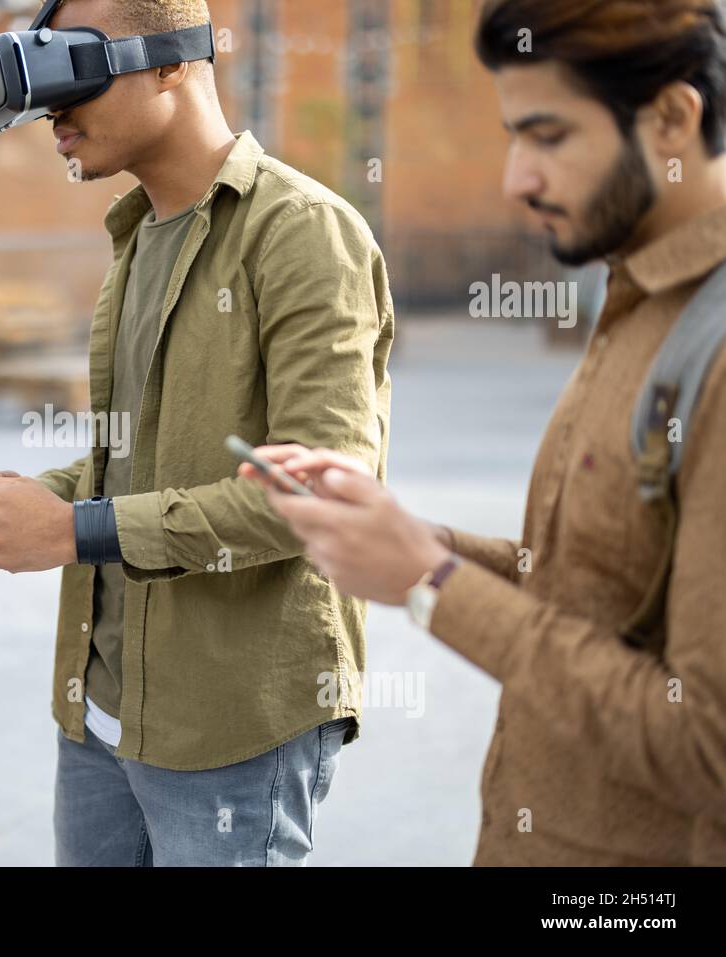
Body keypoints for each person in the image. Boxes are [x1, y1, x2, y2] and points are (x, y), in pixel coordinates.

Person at [246, 0, 726, 866]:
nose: (516, 179)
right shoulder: (639, 301)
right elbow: (601, 588)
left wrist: (431, 583)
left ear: (671, 118)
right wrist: (419, 542)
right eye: (512, 136)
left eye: (547, 136)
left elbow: (705, 747)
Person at [0, 0, 395, 866]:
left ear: (173, 63)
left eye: (77, 72)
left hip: (231, 725)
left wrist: (75, 531)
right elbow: (134, 456)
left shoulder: (304, 233)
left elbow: (321, 492)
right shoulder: (135, 241)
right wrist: (40, 495)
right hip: (99, 708)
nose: (54, 117)